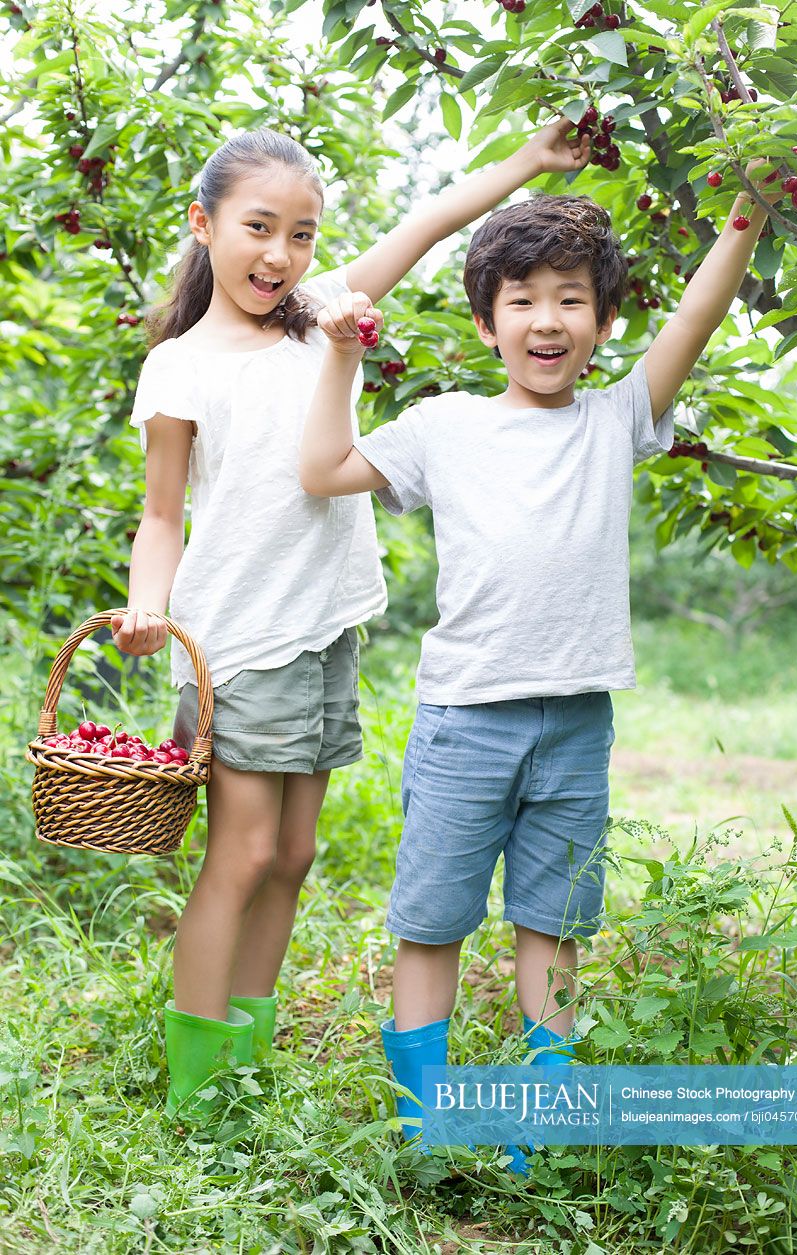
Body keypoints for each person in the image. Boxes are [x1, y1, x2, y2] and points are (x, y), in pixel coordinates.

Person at [299, 161, 782, 1170]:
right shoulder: (445, 425)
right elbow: (323, 471)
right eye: (523, 300)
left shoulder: (616, 421)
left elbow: (695, 317)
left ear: (604, 322)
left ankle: (540, 1112)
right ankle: (430, 1118)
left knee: (553, 921)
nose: (548, 320)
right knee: (432, 919)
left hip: (574, 721)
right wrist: (340, 356)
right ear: (488, 321)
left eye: (573, 299)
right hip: (465, 718)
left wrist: (752, 207)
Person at [112, 120, 594, 1120]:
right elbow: (163, 516)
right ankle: (199, 1084)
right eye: (258, 228)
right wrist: (148, 604)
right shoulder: (179, 367)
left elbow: (425, 222)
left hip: (324, 623)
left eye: (302, 233)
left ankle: (245, 1048)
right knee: (240, 853)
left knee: (292, 854)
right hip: (240, 633)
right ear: (203, 224)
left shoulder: (319, 314)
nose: (280, 254)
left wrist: (527, 165)